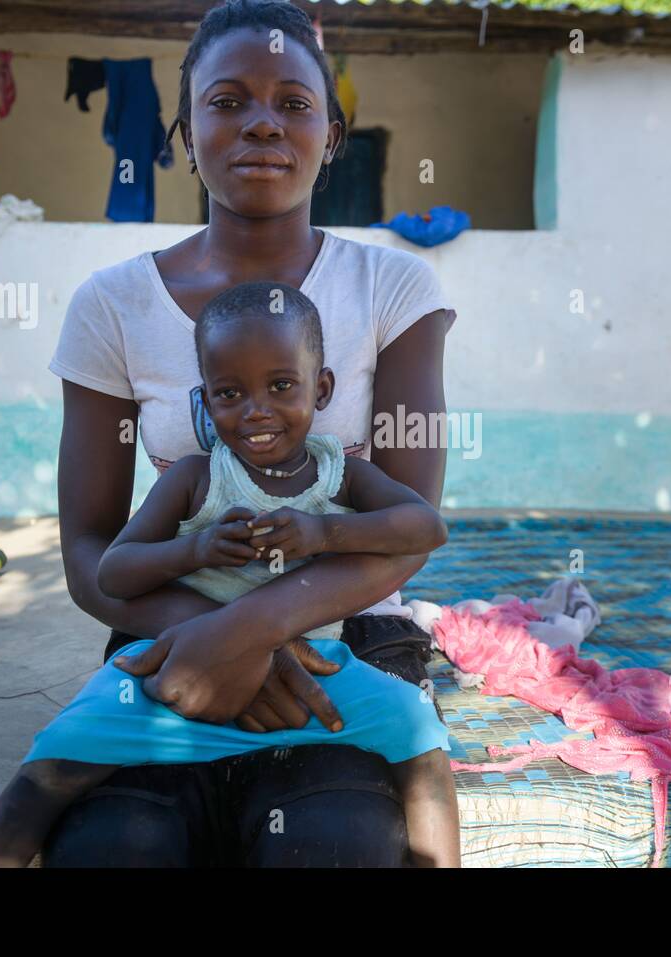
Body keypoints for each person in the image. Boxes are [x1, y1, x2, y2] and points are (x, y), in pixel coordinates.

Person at [40, 0, 458, 866]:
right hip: (166, 621)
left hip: (346, 625)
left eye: (293, 103)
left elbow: (411, 524)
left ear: (332, 134)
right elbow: (89, 548)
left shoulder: (393, 289)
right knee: (118, 844)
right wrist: (207, 635)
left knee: (330, 839)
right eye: (227, 101)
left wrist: (252, 633)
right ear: (183, 134)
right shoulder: (111, 306)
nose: (262, 122)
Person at [0, 283, 460, 867]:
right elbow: (114, 573)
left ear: (321, 387)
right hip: (178, 668)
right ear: (204, 401)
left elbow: (424, 527)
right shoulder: (193, 479)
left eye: (281, 386)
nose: (256, 410)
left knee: (420, 735)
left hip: (314, 671)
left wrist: (323, 532)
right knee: (45, 772)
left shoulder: (341, 475)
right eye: (230, 392)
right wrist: (194, 549)